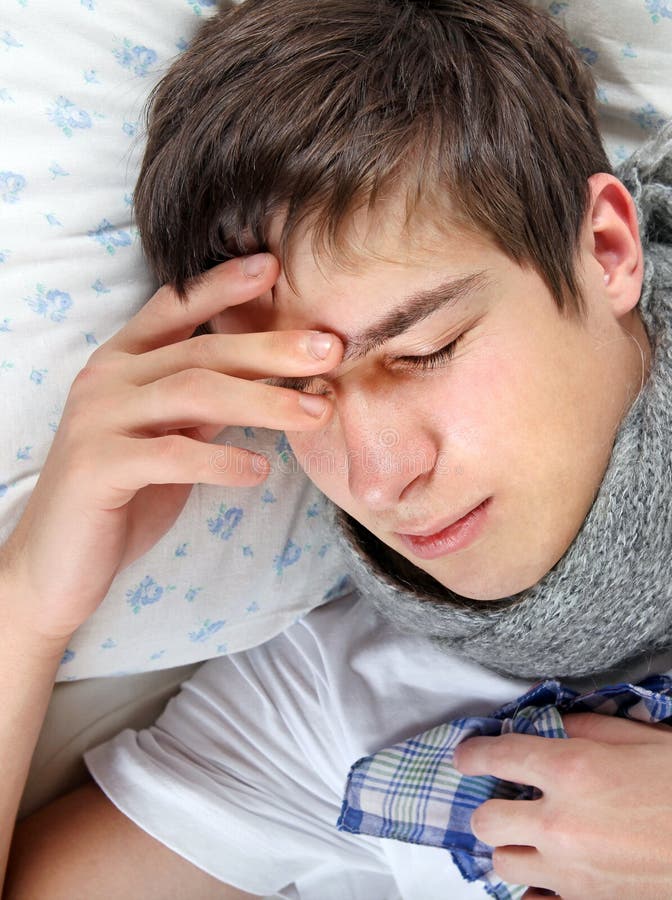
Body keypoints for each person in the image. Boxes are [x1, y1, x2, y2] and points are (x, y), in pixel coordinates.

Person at [1, 0, 671, 897]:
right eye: (298, 393)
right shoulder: (326, 707)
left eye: (424, 350)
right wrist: (28, 602)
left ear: (606, 249)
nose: (378, 477)